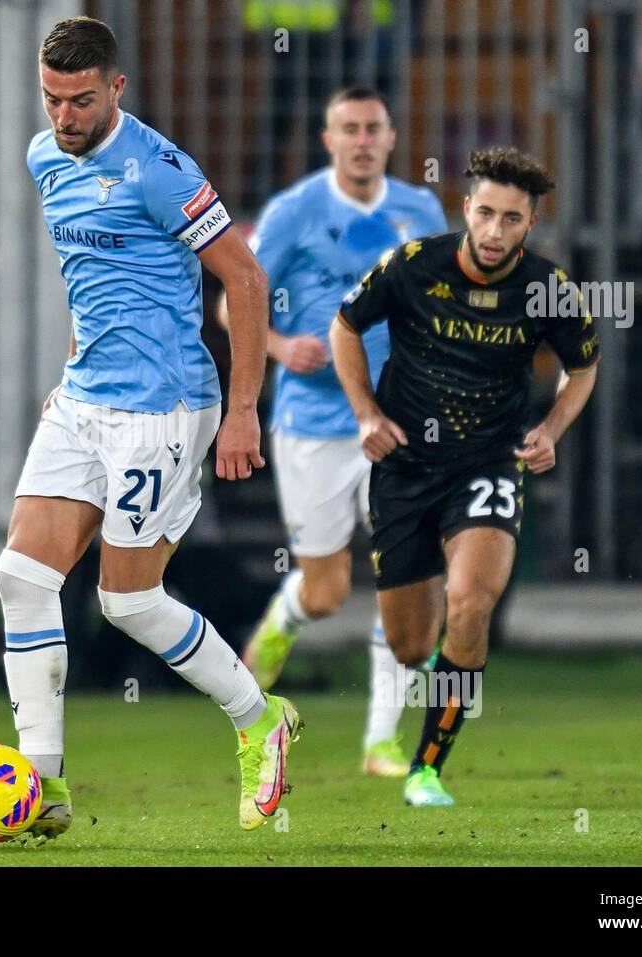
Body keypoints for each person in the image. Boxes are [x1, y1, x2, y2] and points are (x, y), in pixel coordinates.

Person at [0, 16, 300, 836]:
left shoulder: (160, 169)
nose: (65, 117)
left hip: (163, 408)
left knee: (128, 602)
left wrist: (243, 411)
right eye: (53, 99)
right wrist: (77, 360)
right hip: (83, 399)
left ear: (117, 88)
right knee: (23, 577)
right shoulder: (41, 158)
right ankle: (43, 787)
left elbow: (244, 278)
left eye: (82, 101)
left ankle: (258, 717)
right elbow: (93, 273)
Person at [330, 147, 599, 806]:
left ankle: (426, 767)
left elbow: (584, 367)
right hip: (404, 468)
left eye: (512, 219)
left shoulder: (548, 289)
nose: (495, 231)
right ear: (466, 209)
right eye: (485, 213)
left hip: (487, 462)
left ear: (531, 223)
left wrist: (550, 430)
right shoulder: (412, 266)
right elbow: (344, 327)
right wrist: (365, 412)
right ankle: (443, 672)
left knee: (472, 602)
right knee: (409, 642)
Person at [217, 86, 446, 778]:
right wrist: (284, 348)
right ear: (329, 140)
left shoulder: (422, 211)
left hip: (398, 422)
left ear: (391, 137)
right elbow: (235, 304)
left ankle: (381, 740)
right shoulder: (295, 212)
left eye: (373, 127)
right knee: (326, 590)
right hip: (314, 422)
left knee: (405, 579)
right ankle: (288, 616)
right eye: (348, 128)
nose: (362, 140)